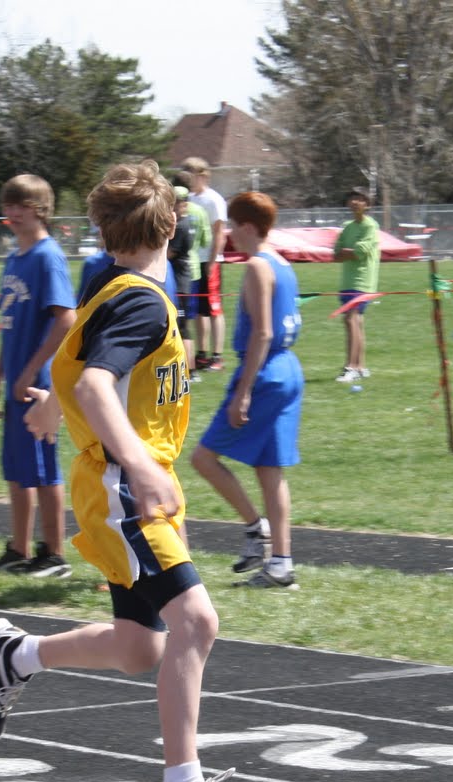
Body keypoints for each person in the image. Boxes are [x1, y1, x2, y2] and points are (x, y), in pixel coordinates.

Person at [0, 159, 269, 782]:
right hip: (124, 485)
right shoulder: (138, 298)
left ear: (102, 232)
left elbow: (81, 371)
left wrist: (53, 406)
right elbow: (98, 386)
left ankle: (19, 655)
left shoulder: (110, 290)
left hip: (126, 481)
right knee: (196, 621)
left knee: (141, 647)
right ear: (173, 224)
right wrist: (136, 460)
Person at [190, 191, 305, 588]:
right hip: (289, 369)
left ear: (249, 227)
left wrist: (244, 392)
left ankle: (257, 529)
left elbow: (263, 332)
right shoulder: (282, 264)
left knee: (203, 459)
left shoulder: (257, 266)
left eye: (233, 228)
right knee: (270, 470)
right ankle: (281, 563)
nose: (228, 237)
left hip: (265, 373)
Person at [0, 173, 76, 577]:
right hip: (16, 381)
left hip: (39, 385)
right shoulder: (14, 259)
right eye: (8, 205)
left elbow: (66, 319)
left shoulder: (46, 256)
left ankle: (54, 554)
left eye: (21, 205)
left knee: (43, 470)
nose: (12, 213)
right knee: (18, 470)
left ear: (40, 210)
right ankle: (18, 548)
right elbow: (8, 325)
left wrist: (32, 371)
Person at [181, 157, 228, 373]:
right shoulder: (187, 198)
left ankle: (217, 355)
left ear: (202, 175)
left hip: (209, 261)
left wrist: (212, 260)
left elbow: (219, 233)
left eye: (190, 174)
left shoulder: (213, 200)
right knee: (198, 310)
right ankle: (201, 353)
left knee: (213, 308)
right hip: (191, 261)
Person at [333, 187, 379, 383]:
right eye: (352, 198)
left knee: (351, 320)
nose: (354, 202)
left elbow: (360, 252)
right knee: (355, 321)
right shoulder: (347, 227)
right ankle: (360, 366)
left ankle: (350, 367)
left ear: (367, 204)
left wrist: (348, 251)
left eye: (359, 199)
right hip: (347, 281)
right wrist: (346, 251)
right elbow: (336, 253)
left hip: (362, 281)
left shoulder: (370, 226)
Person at [167, 187, 198, 343]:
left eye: (176, 204)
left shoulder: (180, 226)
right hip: (182, 279)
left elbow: (169, 253)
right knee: (182, 327)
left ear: (184, 204)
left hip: (179, 282)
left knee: (181, 328)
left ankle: (188, 367)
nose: (172, 208)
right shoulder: (189, 221)